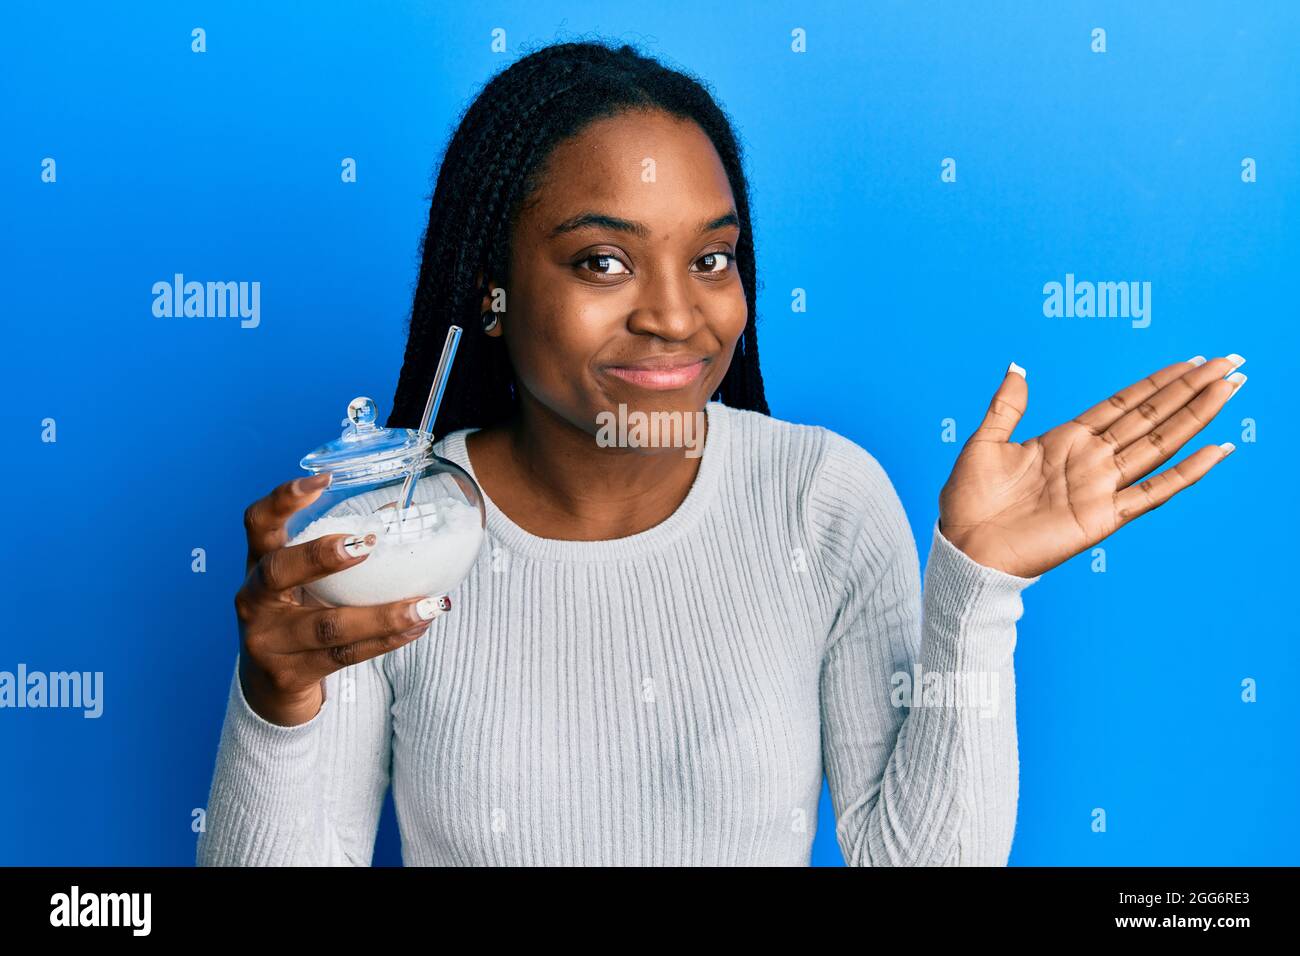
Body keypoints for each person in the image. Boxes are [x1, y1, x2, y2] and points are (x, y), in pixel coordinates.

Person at [197, 40, 1245, 866]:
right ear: (492, 288)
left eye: (711, 257)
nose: (674, 314)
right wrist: (275, 699)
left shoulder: (821, 498)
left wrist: (978, 592)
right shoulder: (386, 536)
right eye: (601, 259)